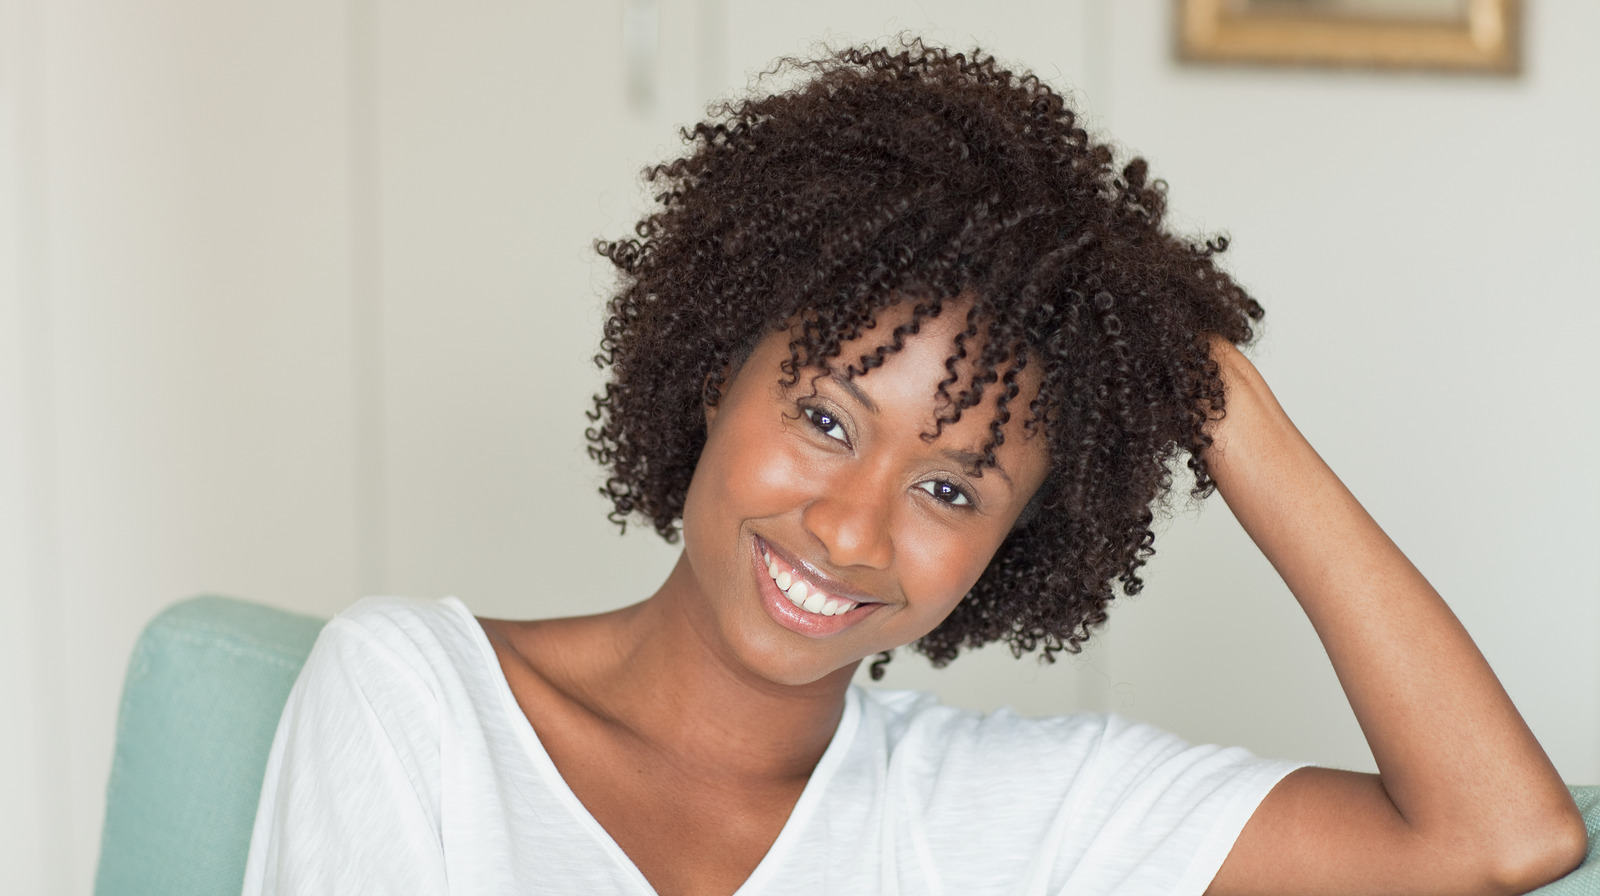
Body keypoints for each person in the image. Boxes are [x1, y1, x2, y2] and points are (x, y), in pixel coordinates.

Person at [242, 39, 1586, 895]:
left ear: (1021, 546)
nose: (850, 526)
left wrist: (1214, 393)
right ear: (714, 369)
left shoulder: (1009, 815)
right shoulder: (419, 704)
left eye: (953, 488)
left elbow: (1500, 837)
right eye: (826, 417)